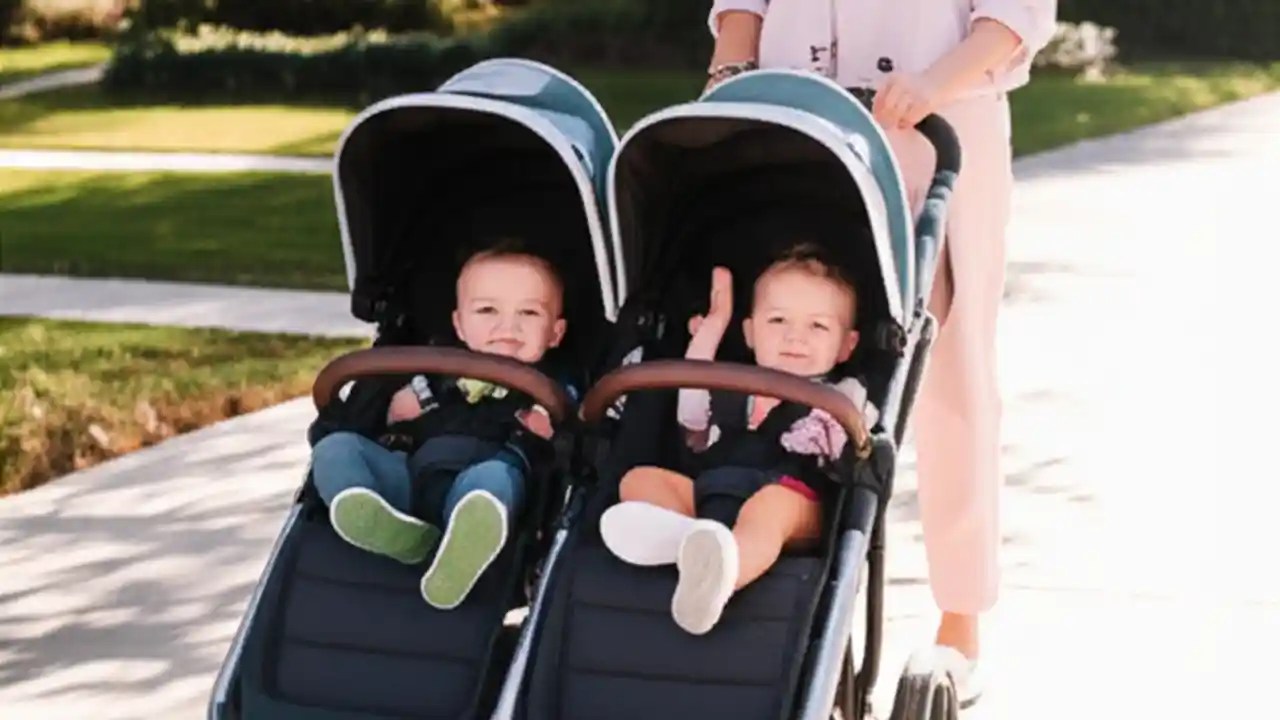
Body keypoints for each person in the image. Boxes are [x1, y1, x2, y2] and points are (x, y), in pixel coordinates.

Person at [704, 0, 1058, 706]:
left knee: (950, 376)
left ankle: (961, 618)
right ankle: (763, 566)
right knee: (781, 349)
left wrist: (934, 82)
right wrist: (730, 73)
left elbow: (1013, 14)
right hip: (795, 123)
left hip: (939, 125)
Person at [600, 245, 878, 635]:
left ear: (847, 345)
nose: (795, 336)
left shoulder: (843, 392)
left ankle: (722, 579)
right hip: (715, 492)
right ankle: (693, 543)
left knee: (769, 509)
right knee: (638, 481)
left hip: (794, 500)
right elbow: (690, 411)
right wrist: (714, 326)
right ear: (749, 332)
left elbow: (857, 436)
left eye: (818, 326)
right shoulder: (730, 382)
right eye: (778, 320)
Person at [309, 241, 571, 610]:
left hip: (487, 471)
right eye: (486, 310)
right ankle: (371, 516)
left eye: (529, 313)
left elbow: (567, 435)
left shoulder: (552, 383)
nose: (507, 326)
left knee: (493, 482)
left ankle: (464, 549)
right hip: (409, 472)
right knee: (335, 447)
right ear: (459, 325)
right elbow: (397, 411)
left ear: (555, 333)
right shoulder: (433, 367)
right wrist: (397, 411)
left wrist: (548, 427)